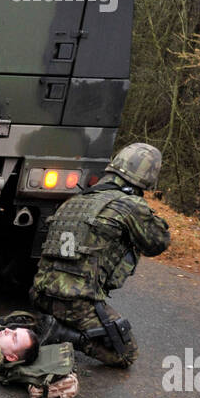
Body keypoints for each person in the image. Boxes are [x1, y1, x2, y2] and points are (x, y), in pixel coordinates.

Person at [30, 142, 170, 367]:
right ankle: (63, 334)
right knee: (125, 354)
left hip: (40, 294)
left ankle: (48, 322)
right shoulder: (130, 205)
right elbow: (157, 243)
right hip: (77, 301)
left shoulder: (76, 200)